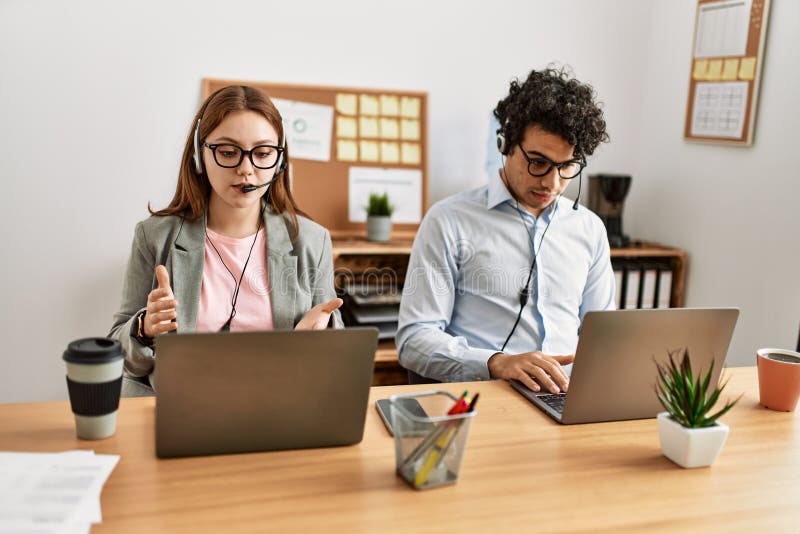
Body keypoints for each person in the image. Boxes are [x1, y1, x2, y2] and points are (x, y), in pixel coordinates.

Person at [110, 85, 343, 394]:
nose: (246, 170)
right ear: (199, 155)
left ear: (279, 161)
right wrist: (143, 329)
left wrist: (320, 339)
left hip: (277, 405)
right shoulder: (154, 237)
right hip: (177, 408)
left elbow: (333, 354)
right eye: (228, 152)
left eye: (262, 154)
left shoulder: (312, 241)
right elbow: (119, 354)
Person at [397, 67, 614, 393]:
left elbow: (605, 336)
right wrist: (496, 363)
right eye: (538, 162)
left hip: (568, 399)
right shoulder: (449, 220)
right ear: (505, 144)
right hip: (484, 399)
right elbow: (414, 340)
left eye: (567, 166)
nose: (552, 182)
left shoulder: (590, 229)